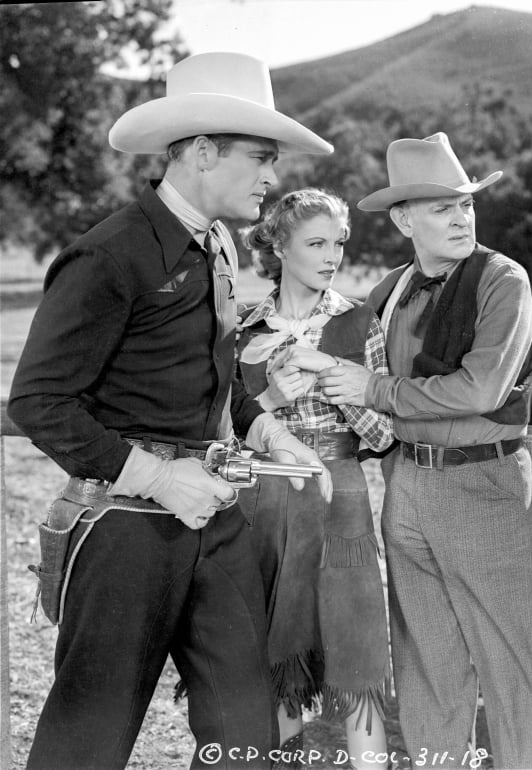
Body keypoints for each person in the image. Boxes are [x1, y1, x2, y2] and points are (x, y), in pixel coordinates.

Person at [8, 52, 335, 770]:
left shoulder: (218, 246)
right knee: (84, 748)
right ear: (204, 152)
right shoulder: (109, 255)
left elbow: (218, 380)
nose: (272, 177)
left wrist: (268, 429)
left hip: (216, 525)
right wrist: (157, 477)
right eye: (260, 158)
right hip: (124, 528)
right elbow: (38, 401)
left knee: (247, 735)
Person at [318, 132, 532, 768]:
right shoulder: (391, 289)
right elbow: (330, 335)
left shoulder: (501, 280)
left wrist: (374, 387)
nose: (461, 218)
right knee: (425, 664)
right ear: (403, 220)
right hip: (406, 485)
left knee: (512, 666)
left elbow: (481, 387)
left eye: (466, 205)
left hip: (483, 484)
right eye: (442, 208)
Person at [236, 188, 394, 770]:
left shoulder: (359, 322)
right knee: (280, 658)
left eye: (339, 243)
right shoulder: (241, 330)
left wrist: (333, 378)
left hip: (342, 499)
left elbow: (382, 437)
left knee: (357, 660)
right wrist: (272, 397)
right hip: (265, 504)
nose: (332, 256)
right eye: (316, 243)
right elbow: (222, 437)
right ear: (279, 246)